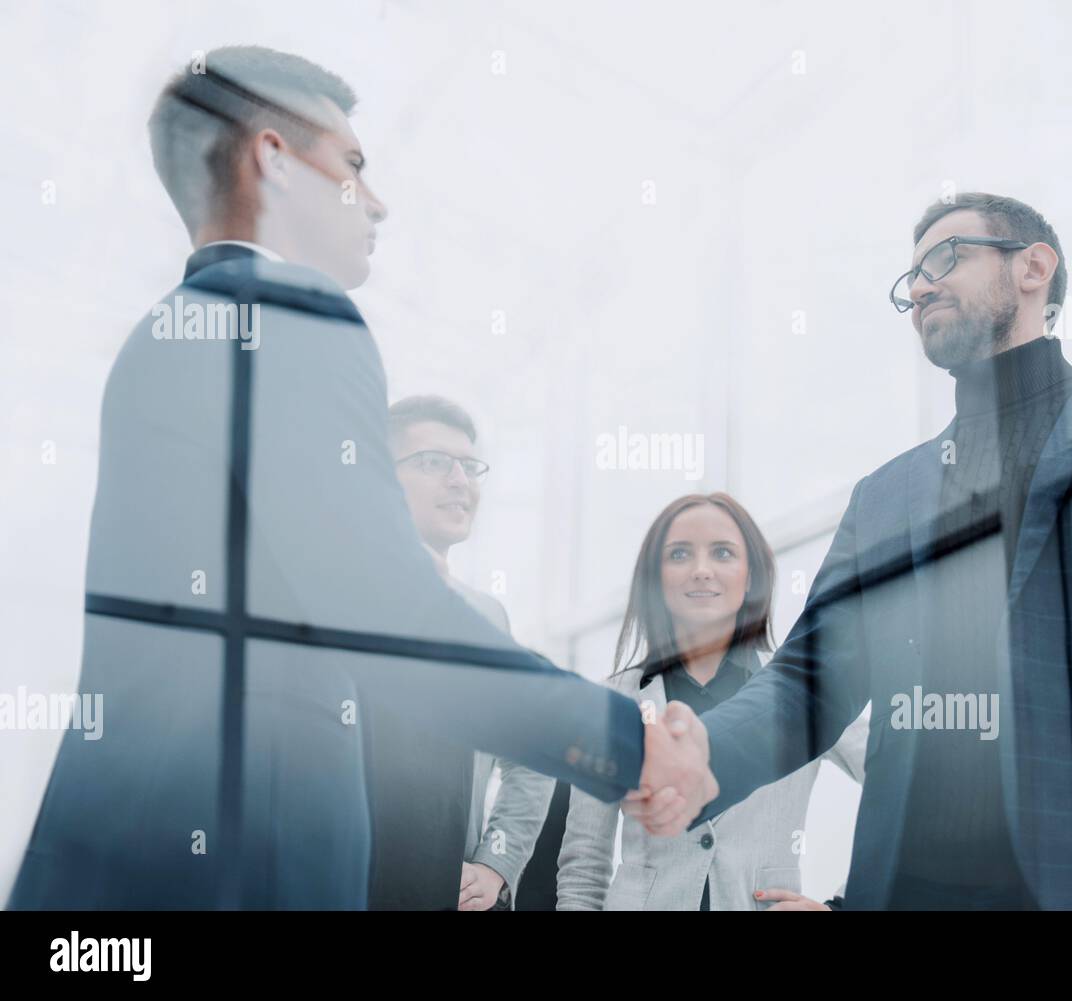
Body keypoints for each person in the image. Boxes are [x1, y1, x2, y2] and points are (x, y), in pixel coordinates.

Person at [8, 45, 713, 911]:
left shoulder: (164, 336)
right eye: (351, 166)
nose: (375, 201)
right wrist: (626, 743)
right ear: (273, 159)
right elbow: (382, 605)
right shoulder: (289, 311)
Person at [629, 193, 1072, 910]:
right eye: (909, 279)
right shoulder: (885, 495)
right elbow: (806, 685)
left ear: (1034, 267)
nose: (920, 288)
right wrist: (698, 751)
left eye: (945, 258)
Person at [559, 493, 866, 910]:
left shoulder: (804, 690)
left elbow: (902, 788)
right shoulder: (611, 701)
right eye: (680, 554)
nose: (701, 571)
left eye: (722, 553)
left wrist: (843, 907)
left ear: (751, 576)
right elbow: (584, 869)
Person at [388, 394, 556, 911]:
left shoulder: (485, 617)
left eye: (470, 466)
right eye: (434, 462)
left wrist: (495, 863)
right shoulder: (325, 600)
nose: (460, 480)